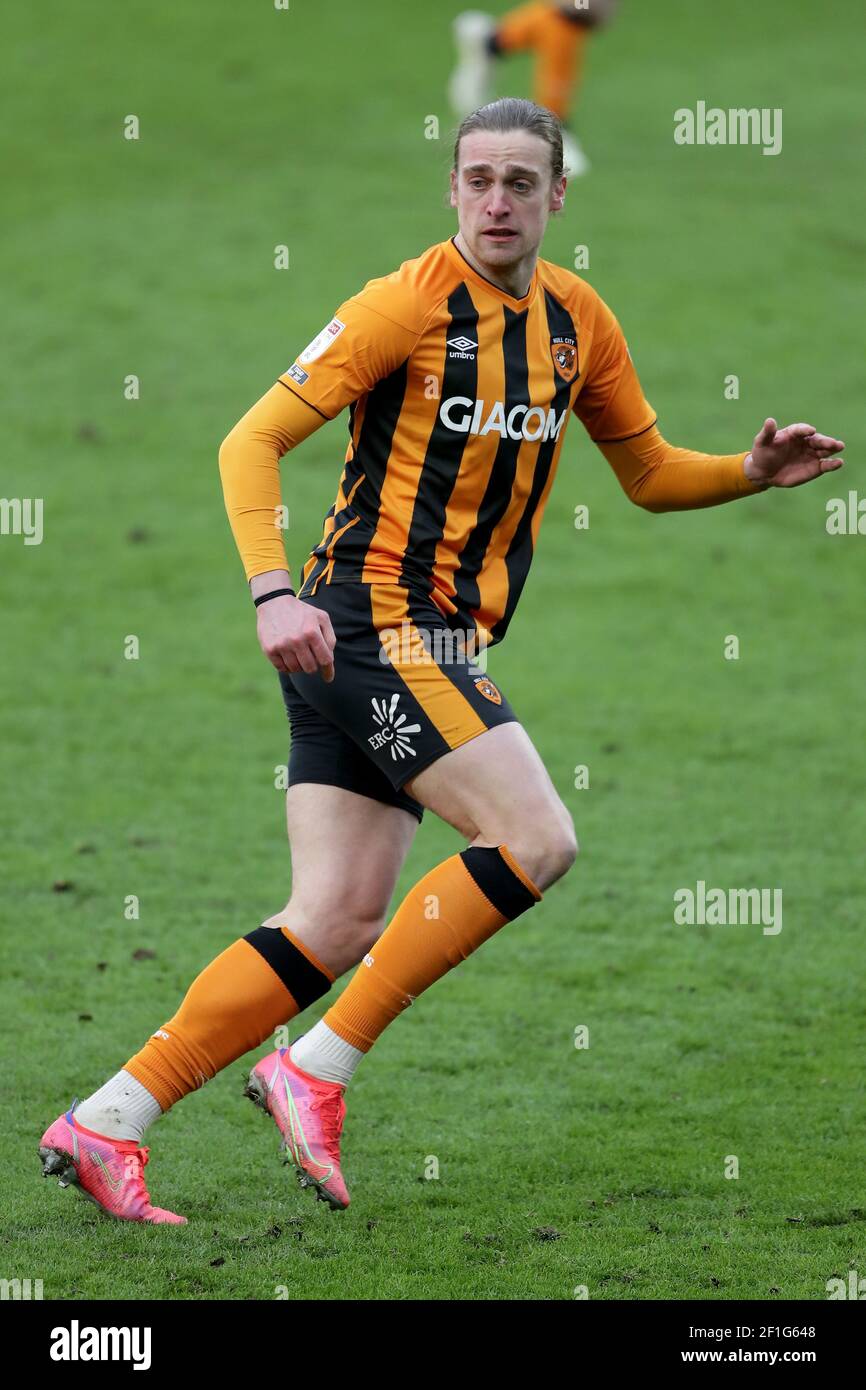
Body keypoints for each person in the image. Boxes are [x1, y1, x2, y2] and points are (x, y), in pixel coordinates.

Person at [39, 97, 844, 1220]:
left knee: (333, 918)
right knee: (535, 835)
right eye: (477, 180)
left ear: (558, 194)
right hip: (369, 620)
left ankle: (106, 1120)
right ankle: (311, 1068)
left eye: (522, 181)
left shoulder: (576, 323)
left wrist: (747, 473)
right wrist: (270, 590)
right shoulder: (403, 305)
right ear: (451, 190)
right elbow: (249, 439)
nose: (498, 201)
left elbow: (649, 469)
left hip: (403, 639)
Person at [449, 2, 620, 174]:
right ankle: (554, 140)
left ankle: (487, 43)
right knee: (555, 82)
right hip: (559, 19)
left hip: (561, 19)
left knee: (497, 47)